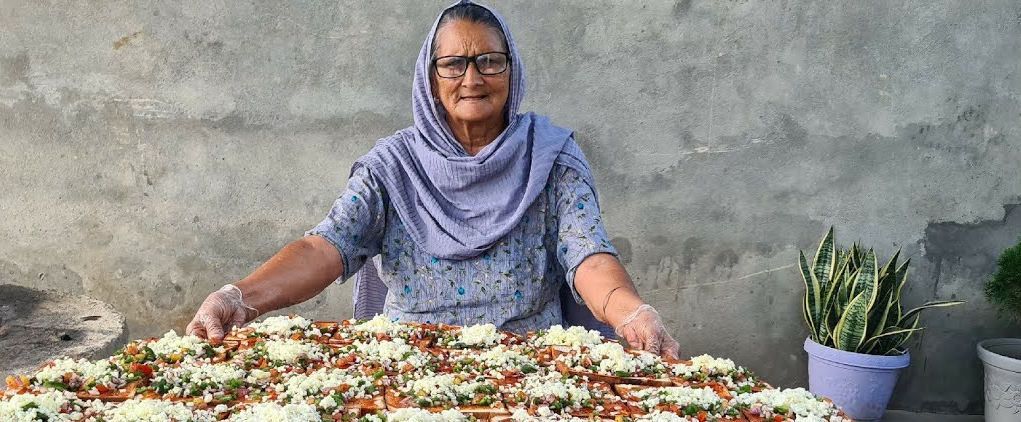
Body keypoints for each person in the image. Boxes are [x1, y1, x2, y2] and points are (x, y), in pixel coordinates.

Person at [186, 0, 681, 358]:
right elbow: (326, 246)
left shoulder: (551, 157)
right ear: (430, 77)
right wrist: (240, 297)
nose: (473, 79)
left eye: (490, 61)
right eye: (453, 64)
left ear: (512, 72)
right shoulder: (393, 165)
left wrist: (631, 312)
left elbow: (588, 254)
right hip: (410, 368)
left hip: (532, 366)